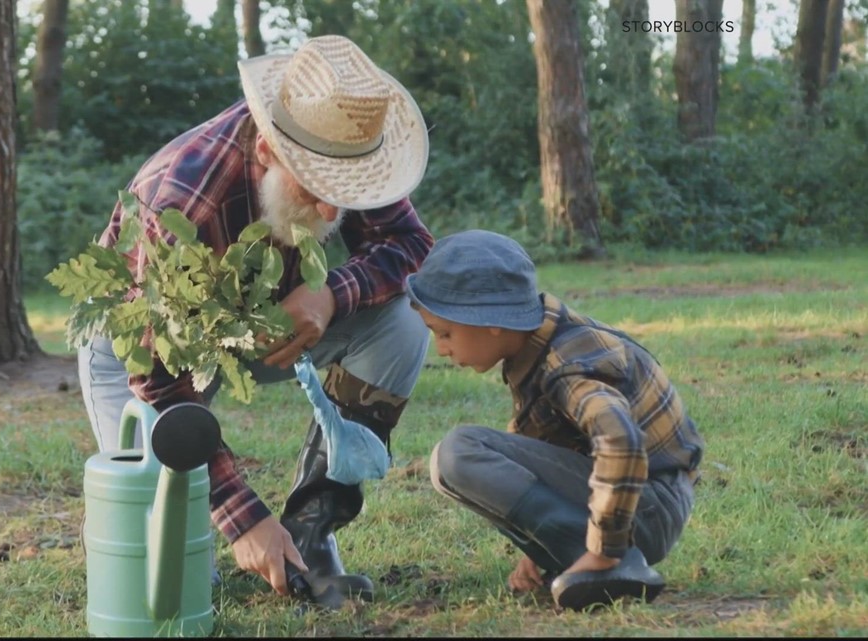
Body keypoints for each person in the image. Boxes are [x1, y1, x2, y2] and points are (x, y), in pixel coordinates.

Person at [77, 35, 434, 609]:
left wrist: (331, 294)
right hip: (142, 354)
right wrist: (243, 519)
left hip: (269, 325)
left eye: (342, 194)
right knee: (175, 577)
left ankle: (310, 533)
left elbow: (410, 243)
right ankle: (211, 539)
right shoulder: (186, 202)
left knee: (402, 322)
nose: (330, 212)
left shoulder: (345, 145)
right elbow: (161, 384)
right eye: (314, 189)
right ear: (267, 149)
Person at [407, 230, 705, 612]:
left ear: (489, 319)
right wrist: (536, 547)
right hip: (638, 505)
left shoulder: (567, 360)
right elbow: (541, 452)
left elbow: (620, 439)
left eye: (445, 333)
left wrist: (605, 550)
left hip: (649, 505)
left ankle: (611, 563)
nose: (441, 349)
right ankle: (574, 558)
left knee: (459, 452)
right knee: (449, 468)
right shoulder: (532, 350)